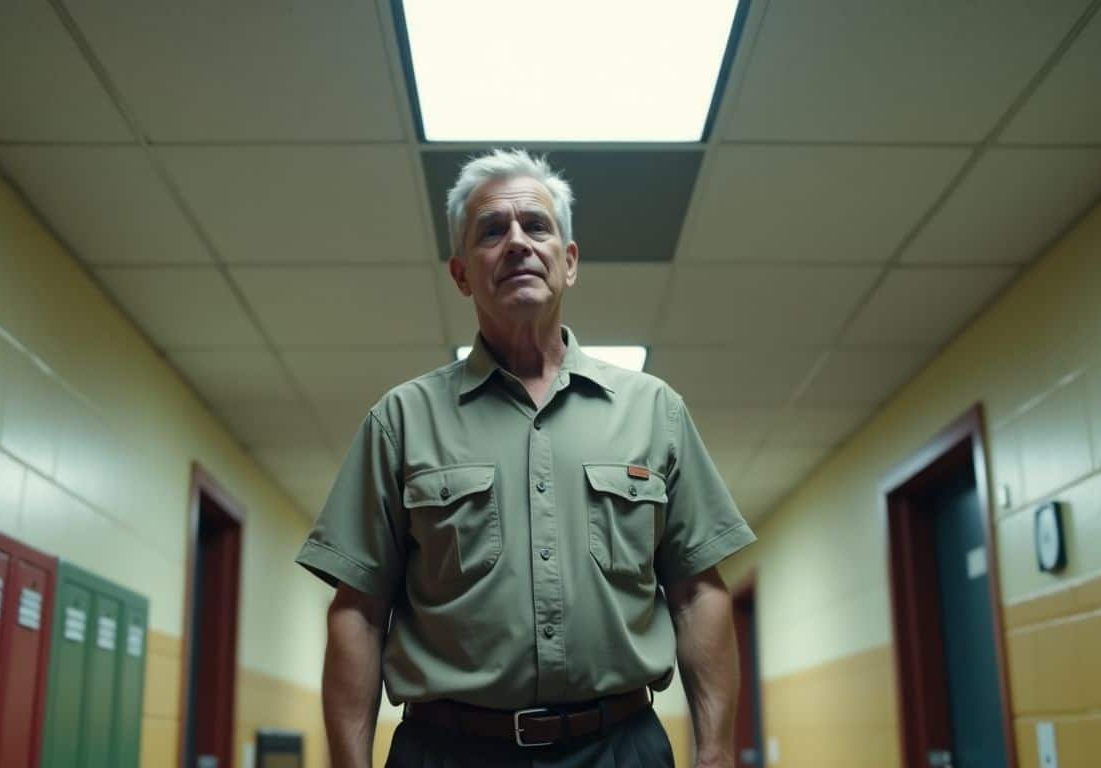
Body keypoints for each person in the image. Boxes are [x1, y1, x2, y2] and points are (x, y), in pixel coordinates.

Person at [296, 149, 756, 767]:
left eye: (537, 226)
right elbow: (359, 613)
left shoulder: (655, 411)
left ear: (568, 263)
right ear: (462, 274)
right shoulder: (401, 421)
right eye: (492, 231)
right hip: (448, 751)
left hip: (621, 749)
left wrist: (718, 752)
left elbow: (698, 592)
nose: (517, 242)